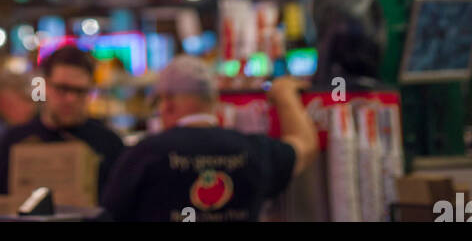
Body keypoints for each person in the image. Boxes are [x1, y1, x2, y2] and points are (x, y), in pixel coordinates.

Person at [101, 58, 319, 223]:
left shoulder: (143, 155)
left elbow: (109, 214)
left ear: (167, 103)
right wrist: (285, 95)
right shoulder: (255, 150)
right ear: (214, 100)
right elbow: (306, 146)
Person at [0, 44, 123, 199]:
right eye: (62, 89)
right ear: (45, 86)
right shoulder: (14, 141)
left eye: (80, 91)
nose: (71, 99)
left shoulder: (109, 144)